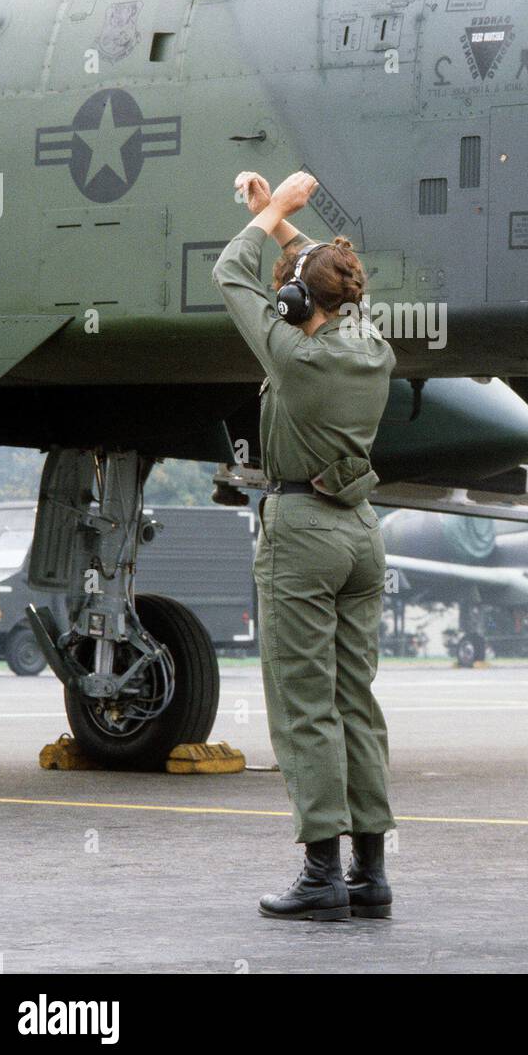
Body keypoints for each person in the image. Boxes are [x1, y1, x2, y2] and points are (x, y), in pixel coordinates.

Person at [212, 169, 397, 921]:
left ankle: (321, 876)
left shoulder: (295, 355)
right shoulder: (369, 340)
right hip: (360, 532)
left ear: (292, 302)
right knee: (355, 700)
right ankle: (370, 876)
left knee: (302, 707)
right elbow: (332, 273)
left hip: (302, 532)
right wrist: (284, 222)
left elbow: (229, 271)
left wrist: (272, 217)